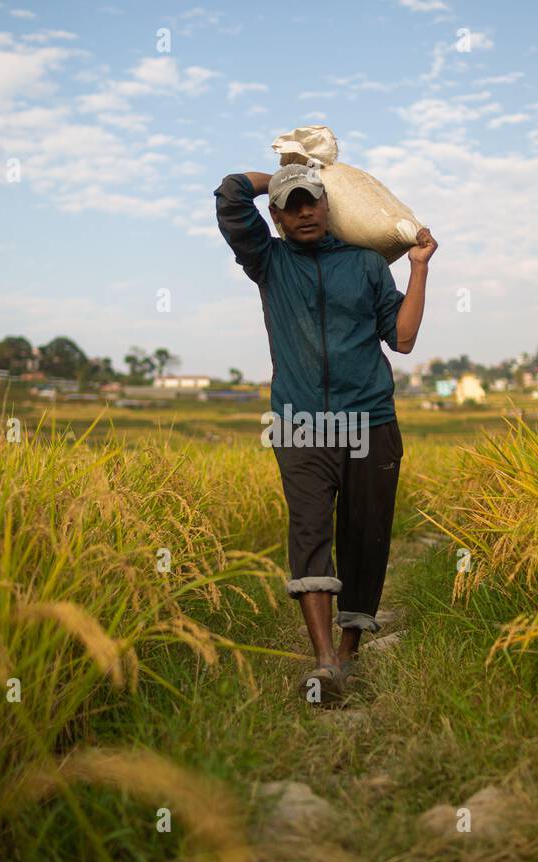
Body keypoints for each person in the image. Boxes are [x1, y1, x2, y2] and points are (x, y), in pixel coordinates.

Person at [214, 162, 437, 702]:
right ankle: (322, 664)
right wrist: (283, 173)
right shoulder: (266, 262)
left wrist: (419, 267)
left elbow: (402, 340)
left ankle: (349, 652)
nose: (304, 211)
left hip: (371, 418)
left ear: (328, 205)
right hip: (300, 421)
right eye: (291, 205)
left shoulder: (364, 264)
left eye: (312, 199)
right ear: (277, 217)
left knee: (366, 532)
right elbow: (229, 197)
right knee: (309, 530)